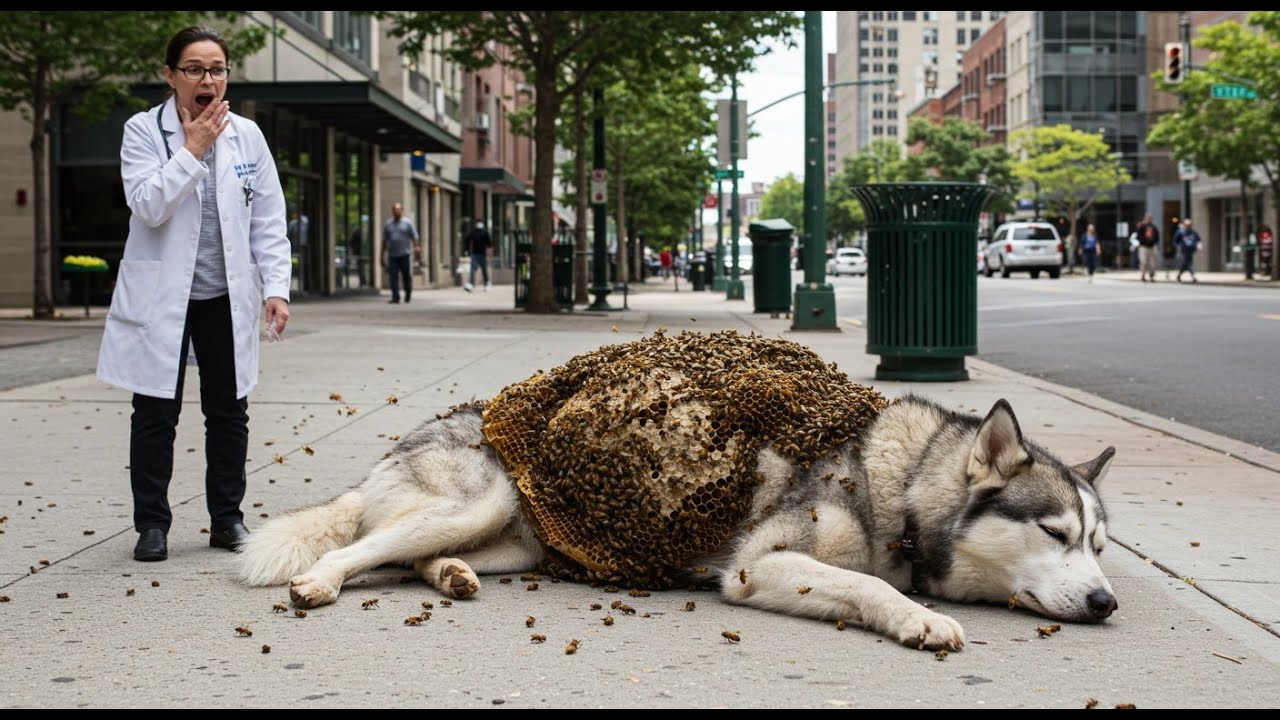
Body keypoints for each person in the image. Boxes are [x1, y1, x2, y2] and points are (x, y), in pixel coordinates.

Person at [96, 26, 291, 563]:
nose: (208, 80)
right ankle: (152, 524)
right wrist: (192, 149)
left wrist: (276, 287)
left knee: (229, 412)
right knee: (155, 412)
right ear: (171, 76)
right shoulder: (143, 131)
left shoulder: (248, 136)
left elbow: (268, 219)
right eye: (195, 69)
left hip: (225, 297)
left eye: (218, 69)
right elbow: (148, 206)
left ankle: (226, 519)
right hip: (164, 298)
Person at [382, 201, 419, 303]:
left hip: (405, 254)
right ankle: (395, 297)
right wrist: (382, 255)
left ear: (402, 211)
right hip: (392, 255)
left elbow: (414, 236)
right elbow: (385, 240)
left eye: (398, 210)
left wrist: (417, 248)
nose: (396, 212)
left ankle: (408, 293)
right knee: (393, 276)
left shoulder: (407, 223)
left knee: (406, 276)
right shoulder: (388, 224)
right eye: (394, 210)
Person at [462, 220, 493, 292]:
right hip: (475, 254)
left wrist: (490, 255)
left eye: (480, 223)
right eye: (478, 223)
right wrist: (467, 250)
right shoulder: (473, 232)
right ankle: (470, 284)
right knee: (472, 269)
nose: (479, 224)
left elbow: (489, 244)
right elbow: (467, 240)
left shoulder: (485, 233)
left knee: (484, 270)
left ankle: (487, 283)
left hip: (482, 254)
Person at [1172, 217, 1202, 283]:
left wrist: (1199, 245)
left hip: (1191, 251)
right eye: (1187, 225)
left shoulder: (1193, 232)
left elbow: (1198, 239)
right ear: (1184, 225)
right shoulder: (1180, 232)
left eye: (1190, 225)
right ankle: (1193, 276)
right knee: (1188, 263)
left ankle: (1179, 275)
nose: (1188, 226)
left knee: (1185, 264)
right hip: (1183, 250)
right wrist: (1177, 246)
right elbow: (1175, 241)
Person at [1134, 214, 1160, 282]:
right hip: (1143, 246)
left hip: (1152, 246)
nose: (1149, 219)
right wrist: (1143, 241)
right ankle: (1143, 275)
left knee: (1153, 263)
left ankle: (1152, 276)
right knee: (1143, 261)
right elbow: (1138, 236)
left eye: (1150, 218)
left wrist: (1154, 242)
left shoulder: (1154, 227)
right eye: (1148, 218)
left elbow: (1157, 237)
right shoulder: (1142, 226)